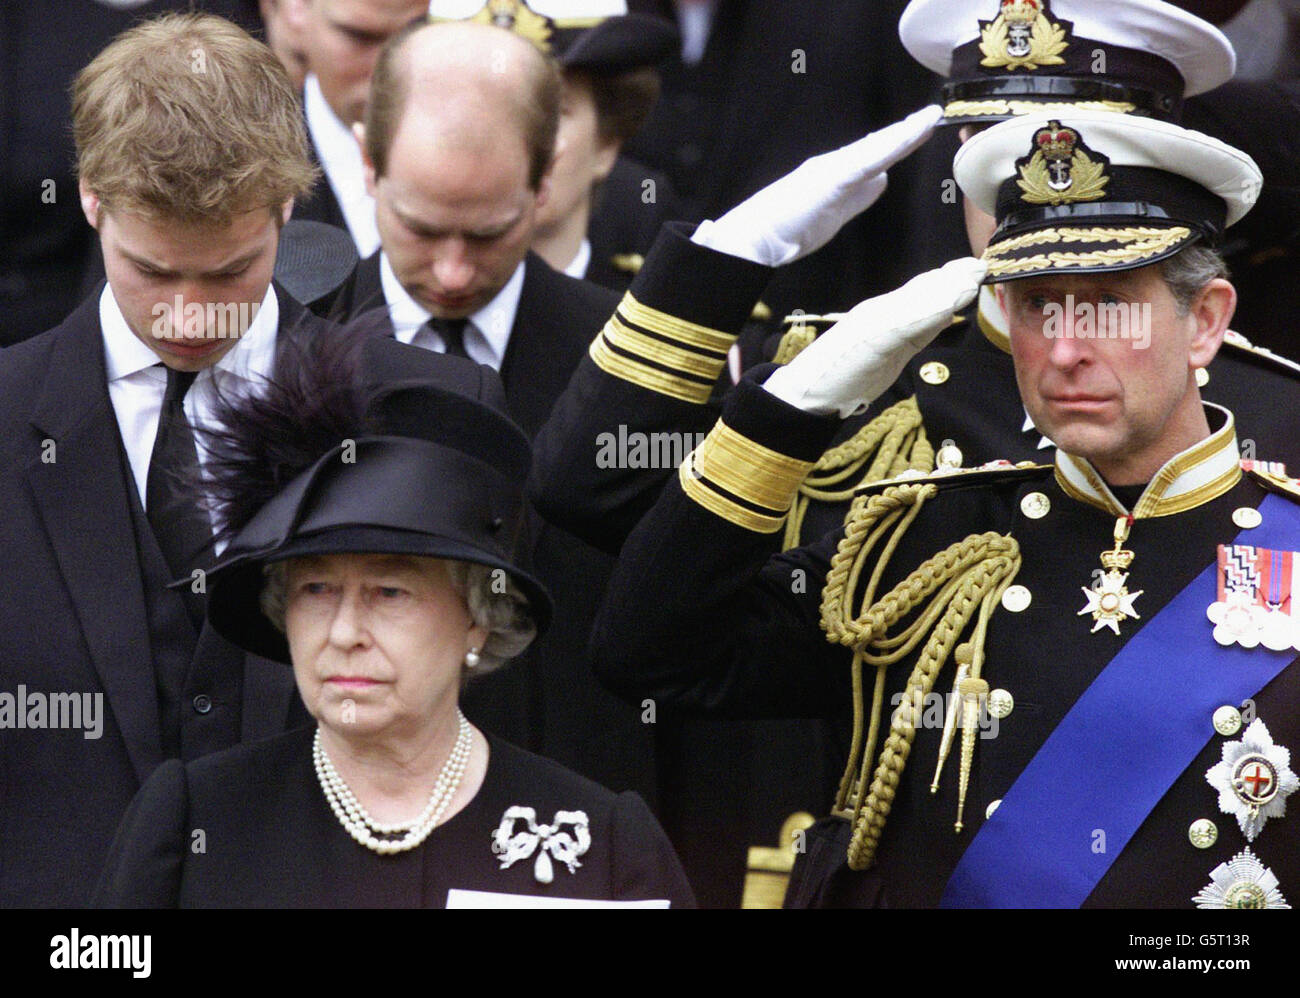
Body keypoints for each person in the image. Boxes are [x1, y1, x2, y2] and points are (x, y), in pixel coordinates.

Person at [590, 109, 1300, 907]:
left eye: (1108, 305)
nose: (1066, 348)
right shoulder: (935, 542)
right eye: (1036, 305)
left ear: (1204, 321)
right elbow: (651, 652)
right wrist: (783, 413)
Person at [92, 334, 695, 908]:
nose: (344, 632)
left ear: (478, 619)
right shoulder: (197, 820)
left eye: (389, 592)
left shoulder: (598, 841)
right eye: (317, 589)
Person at [0, 12, 332, 906]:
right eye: (150, 270)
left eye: (229, 273)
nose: (190, 319)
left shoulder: (409, 411)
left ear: (288, 206)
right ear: (88, 199)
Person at [428, 1, 681, 292]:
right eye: (475, 107)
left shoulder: (657, 301)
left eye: (548, 111)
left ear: (606, 143)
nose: (510, 138)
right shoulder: (368, 301)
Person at [285, 0, 429, 254]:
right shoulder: (250, 168)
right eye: (358, 36)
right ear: (296, 8)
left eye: (412, 32)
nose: (386, 66)